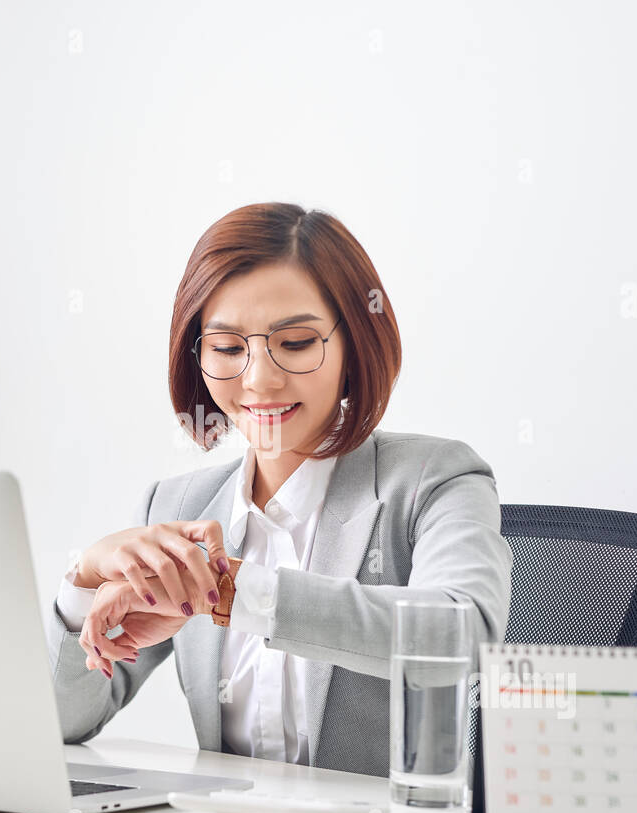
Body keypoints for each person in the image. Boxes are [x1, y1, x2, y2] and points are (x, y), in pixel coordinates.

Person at [44, 202, 513, 777]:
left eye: (295, 343)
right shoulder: (178, 507)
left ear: (354, 346)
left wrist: (233, 592)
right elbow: (61, 724)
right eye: (227, 348)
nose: (260, 378)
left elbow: (463, 631)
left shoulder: (433, 480)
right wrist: (85, 583)